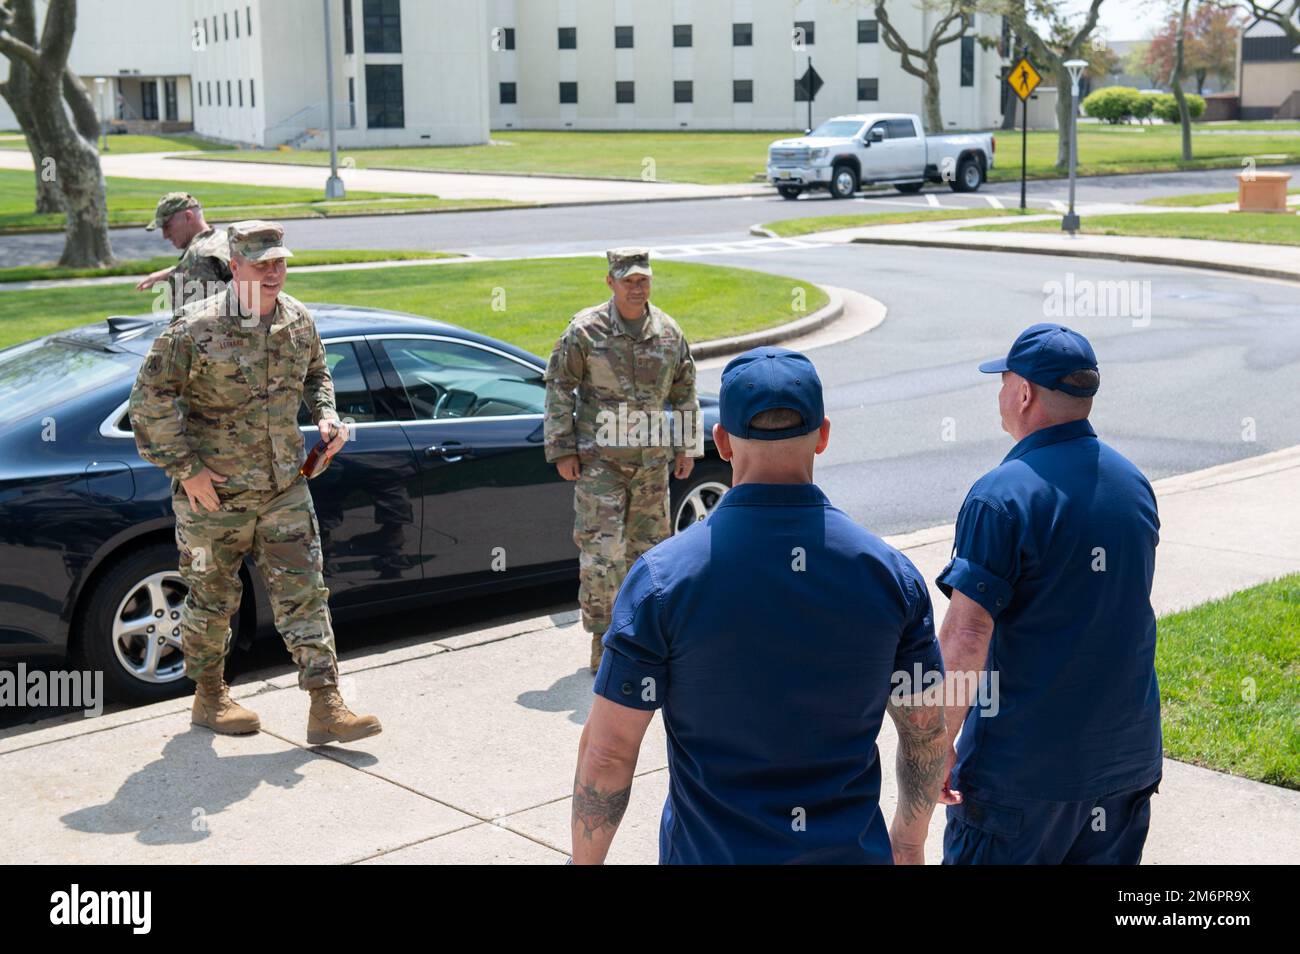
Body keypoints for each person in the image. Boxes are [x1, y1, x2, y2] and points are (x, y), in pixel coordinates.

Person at [567, 347, 952, 864]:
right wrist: (908, 842)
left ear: (722, 442)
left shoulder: (663, 580)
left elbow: (609, 750)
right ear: (823, 434)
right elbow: (924, 733)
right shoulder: (889, 576)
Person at [129, 220, 381, 745]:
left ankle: (325, 703)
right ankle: (210, 696)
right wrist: (187, 469)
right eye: (262, 264)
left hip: (284, 484)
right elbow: (149, 404)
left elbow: (317, 374)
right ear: (235, 267)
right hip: (214, 497)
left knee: (305, 593)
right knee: (213, 600)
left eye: (280, 262)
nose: (273, 273)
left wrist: (327, 417)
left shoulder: (298, 320)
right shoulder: (192, 328)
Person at [933, 323, 1162, 864]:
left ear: (1024, 392)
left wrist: (935, 744)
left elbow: (966, 635)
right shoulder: (1133, 485)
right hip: (1125, 765)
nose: (1000, 393)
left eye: (1002, 380)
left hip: (1020, 779)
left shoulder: (1000, 496)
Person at [544, 248, 702, 673]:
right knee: (602, 555)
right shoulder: (585, 330)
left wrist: (686, 447)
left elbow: (684, 390)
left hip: (651, 467)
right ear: (610, 282)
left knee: (651, 554)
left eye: (643, 279)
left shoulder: (669, 332)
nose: (637, 287)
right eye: (628, 280)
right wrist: (562, 449)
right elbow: (560, 386)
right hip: (600, 465)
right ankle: (605, 641)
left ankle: (648, 635)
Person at [135, 192, 232, 318]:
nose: (165, 235)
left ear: (188, 217)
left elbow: (192, 324)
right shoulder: (224, 238)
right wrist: (173, 272)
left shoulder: (197, 257)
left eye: (167, 226)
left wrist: (181, 272)